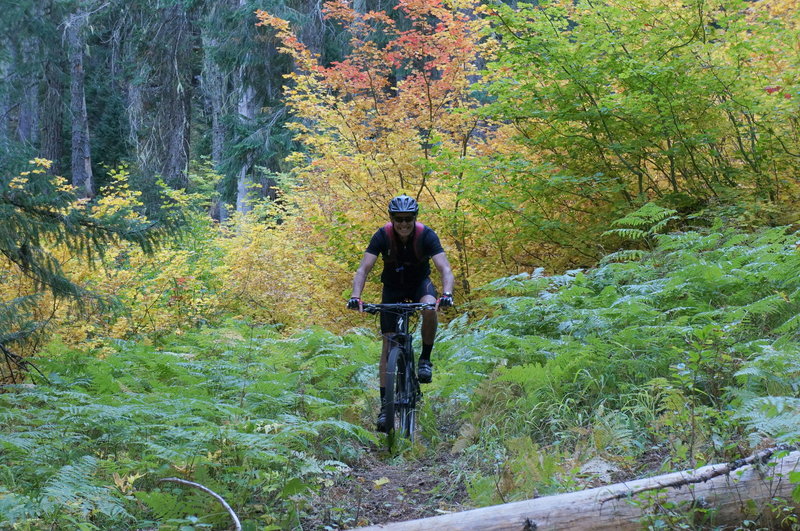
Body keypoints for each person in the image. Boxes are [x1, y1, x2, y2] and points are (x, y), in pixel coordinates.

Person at [347, 194, 455, 432]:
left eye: (408, 219)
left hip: (419, 286)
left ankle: (425, 359)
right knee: (388, 345)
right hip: (393, 289)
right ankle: (386, 409)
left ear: (414, 218)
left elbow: (445, 268)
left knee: (429, 307)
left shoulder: (426, 235)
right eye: (399, 219)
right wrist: (356, 296)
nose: (404, 224)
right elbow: (363, 269)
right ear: (392, 218)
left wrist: (446, 293)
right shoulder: (382, 236)